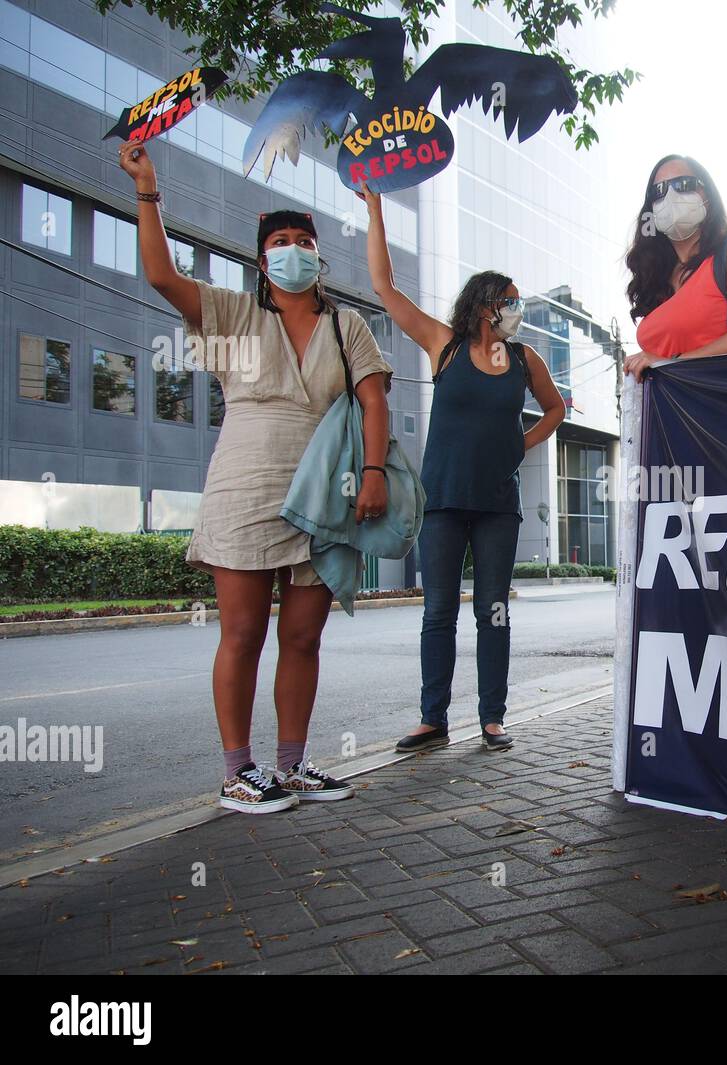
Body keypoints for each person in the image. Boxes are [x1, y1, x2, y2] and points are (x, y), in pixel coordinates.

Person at [119, 142, 395, 813]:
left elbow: (374, 401)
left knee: (303, 636)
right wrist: (148, 191)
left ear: (320, 254)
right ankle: (236, 772)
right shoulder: (234, 315)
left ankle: (294, 765)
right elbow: (161, 274)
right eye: (280, 239)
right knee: (242, 634)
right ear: (262, 257)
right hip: (244, 487)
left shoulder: (346, 323)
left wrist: (374, 471)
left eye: (304, 238)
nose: (293, 248)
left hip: (325, 496)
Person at [357, 183, 566, 753]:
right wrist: (375, 209)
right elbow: (384, 287)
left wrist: (521, 443)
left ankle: (493, 718)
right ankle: (433, 719)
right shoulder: (443, 345)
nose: (517, 311)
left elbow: (557, 410)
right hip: (443, 501)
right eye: (511, 300)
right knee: (438, 613)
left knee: (493, 611)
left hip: (498, 503)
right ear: (482, 305)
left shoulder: (525, 359)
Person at [623, 154, 727, 382]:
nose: (671, 196)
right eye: (659, 191)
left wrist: (671, 364)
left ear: (708, 196)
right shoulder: (657, 280)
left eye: (683, 185)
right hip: (670, 412)